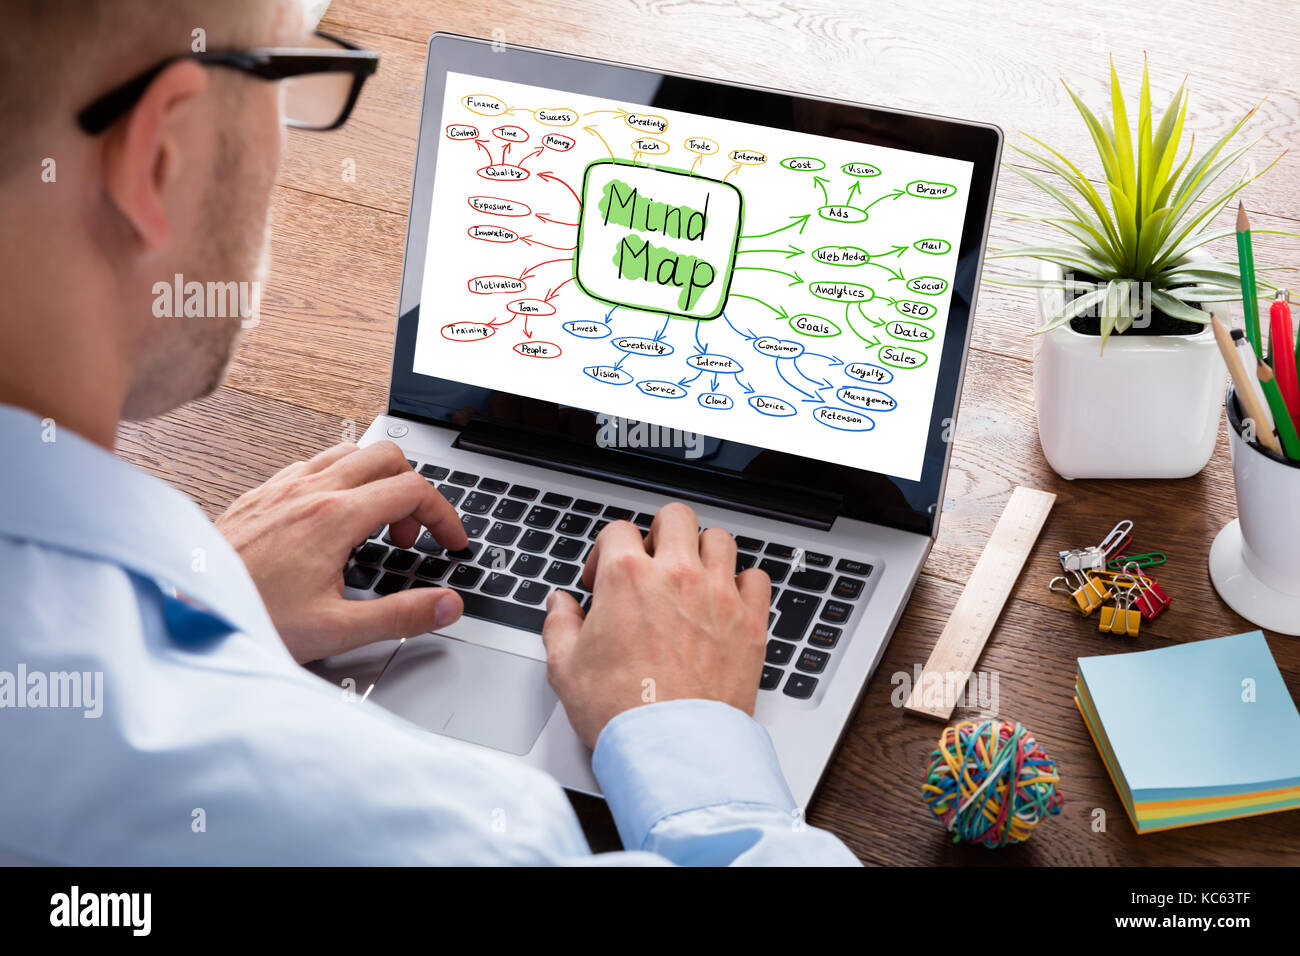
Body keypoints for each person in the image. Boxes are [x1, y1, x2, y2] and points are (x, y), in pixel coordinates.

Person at [0, 0, 859, 865]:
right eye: (282, 71)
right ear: (161, 155)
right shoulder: (457, 838)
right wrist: (691, 743)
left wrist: (194, 606)